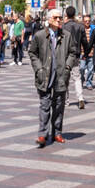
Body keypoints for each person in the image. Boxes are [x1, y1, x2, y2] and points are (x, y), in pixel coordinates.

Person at [30, 11, 75, 146]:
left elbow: (73, 52)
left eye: (60, 17)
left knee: (59, 106)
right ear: (49, 20)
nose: (59, 20)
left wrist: (67, 67)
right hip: (45, 77)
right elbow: (32, 53)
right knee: (45, 105)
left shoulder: (66, 36)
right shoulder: (40, 36)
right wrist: (39, 68)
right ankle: (42, 135)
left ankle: (57, 133)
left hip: (61, 76)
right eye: (56, 18)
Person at [63, 7, 89, 110]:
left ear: (66, 14)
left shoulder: (63, 27)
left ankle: (66, 101)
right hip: (76, 55)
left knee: (65, 78)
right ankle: (80, 98)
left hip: (65, 55)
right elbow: (85, 42)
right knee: (77, 77)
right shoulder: (80, 27)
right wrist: (86, 53)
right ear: (74, 15)